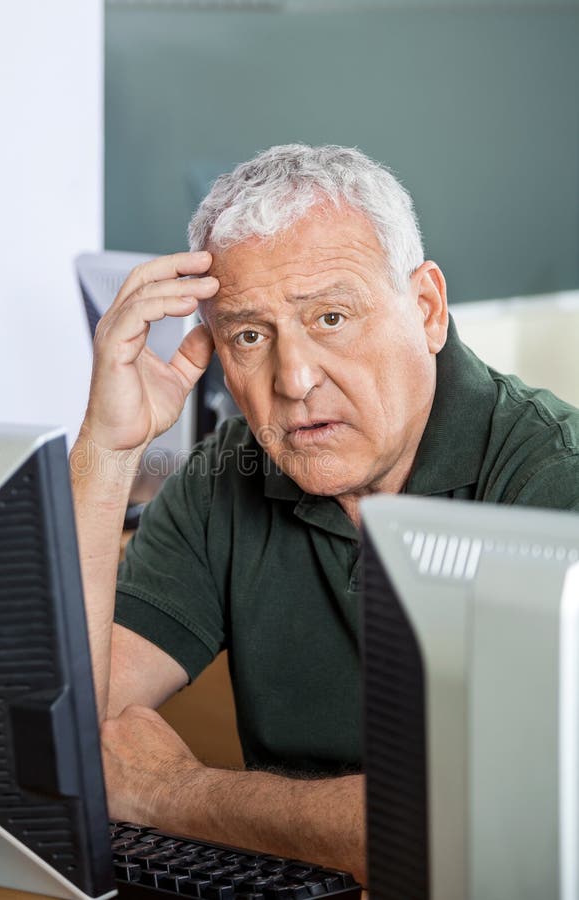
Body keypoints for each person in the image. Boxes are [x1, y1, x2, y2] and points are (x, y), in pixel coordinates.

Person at [69, 144, 579, 885]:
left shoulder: (552, 481)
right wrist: (107, 452)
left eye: (331, 317)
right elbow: (70, 734)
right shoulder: (229, 472)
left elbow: (490, 833)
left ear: (427, 309)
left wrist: (173, 793)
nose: (295, 378)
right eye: (249, 335)